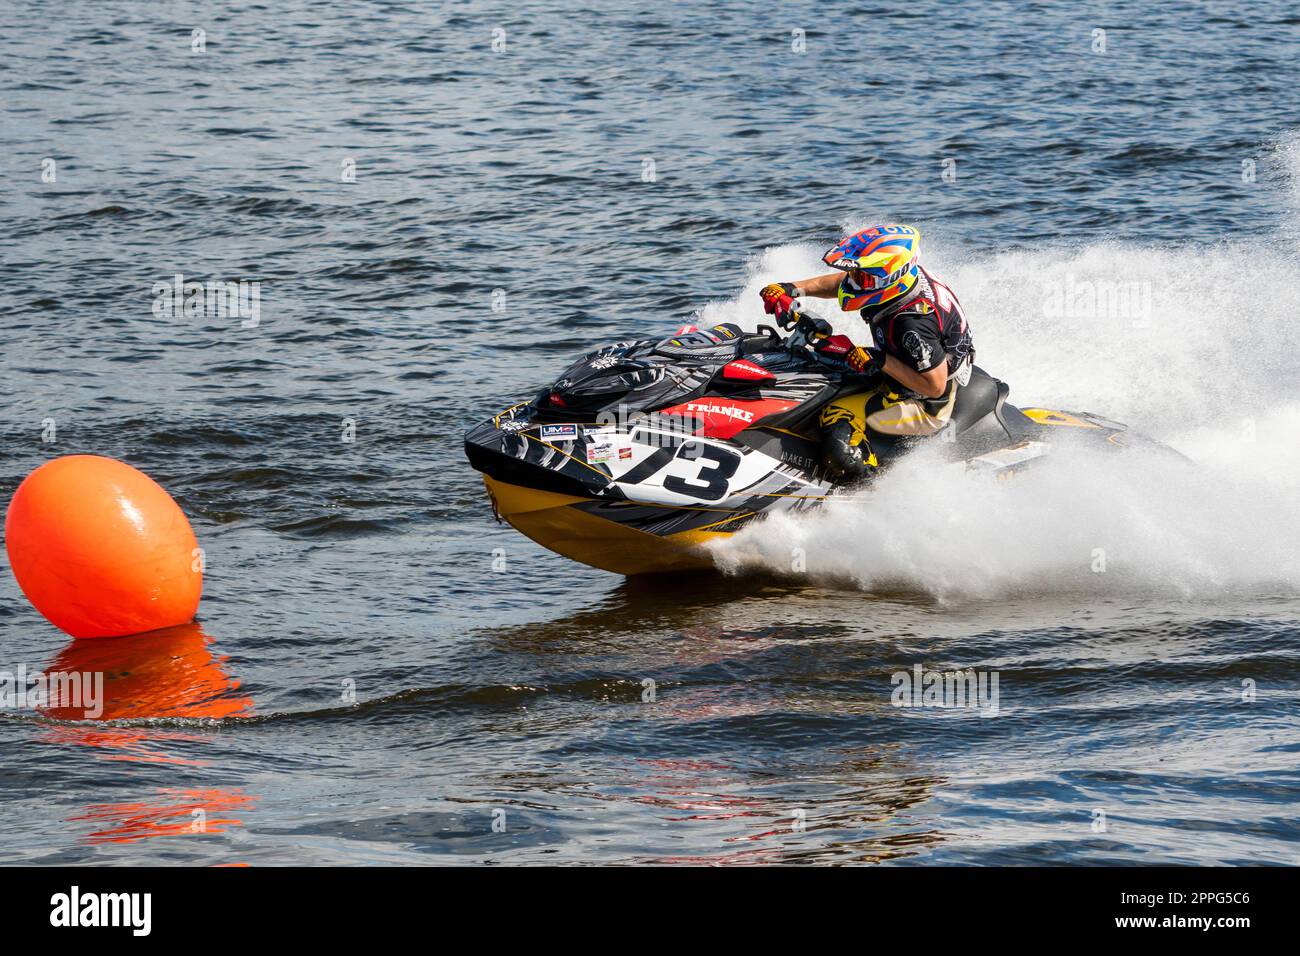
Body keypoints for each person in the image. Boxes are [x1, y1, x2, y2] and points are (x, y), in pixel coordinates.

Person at [759, 224, 974, 481]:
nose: (855, 282)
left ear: (892, 276)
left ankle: (870, 487)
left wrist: (878, 359)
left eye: (863, 278)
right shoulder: (906, 277)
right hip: (907, 370)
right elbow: (843, 282)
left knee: (835, 415)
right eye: (857, 274)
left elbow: (934, 386)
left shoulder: (911, 325)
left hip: (927, 401)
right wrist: (791, 288)